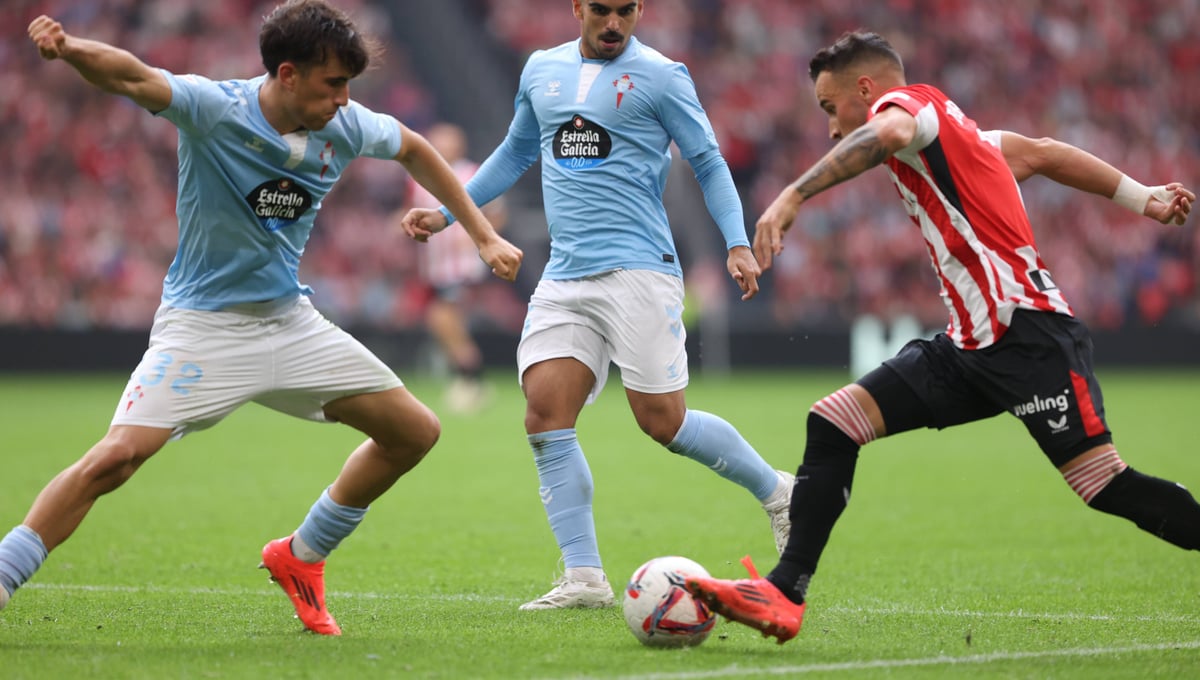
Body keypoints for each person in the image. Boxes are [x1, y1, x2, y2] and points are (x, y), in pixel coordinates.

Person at [1, 0, 523, 636]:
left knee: (414, 432)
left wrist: (479, 235)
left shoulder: (347, 124)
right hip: (203, 328)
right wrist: (72, 48)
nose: (344, 100)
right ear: (287, 74)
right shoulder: (215, 108)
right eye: (333, 84)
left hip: (289, 323)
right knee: (115, 459)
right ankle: (4, 574)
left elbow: (416, 150)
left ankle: (300, 556)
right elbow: (133, 75)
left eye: (349, 87)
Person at [683, 30, 1197, 644]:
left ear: (867, 91)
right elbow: (1042, 152)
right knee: (834, 421)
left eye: (829, 108)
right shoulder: (959, 133)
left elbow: (893, 133)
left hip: (1028, 335)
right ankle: (784, 593)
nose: (828, 128)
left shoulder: (911, 108)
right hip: (969, 348)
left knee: (1103, 484)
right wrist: (1145, 198)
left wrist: (793, 194)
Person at [402, 0, 793, 611]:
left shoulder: (664, 75)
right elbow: (513, 152)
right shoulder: (540, 69)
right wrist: (449, 212)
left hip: (639, 270)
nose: (614, 24)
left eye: (627, 12)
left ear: (639, 11)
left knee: (662, 422)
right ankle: (584, 577)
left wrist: (737, 243)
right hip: (564, 275)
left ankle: (778, 493)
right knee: (544, 415)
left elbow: (709, 160)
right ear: (578, 8)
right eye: (603, 11)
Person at [400, 122, 508, 414]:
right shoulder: (418, 178)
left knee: (441, 317)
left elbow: (497, 213)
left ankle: (471, 380)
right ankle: (468, 377)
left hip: (464, 266)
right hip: (434, 266)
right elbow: (410, 208)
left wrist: (481, 242)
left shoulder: (473, 174)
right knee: (446, 323)